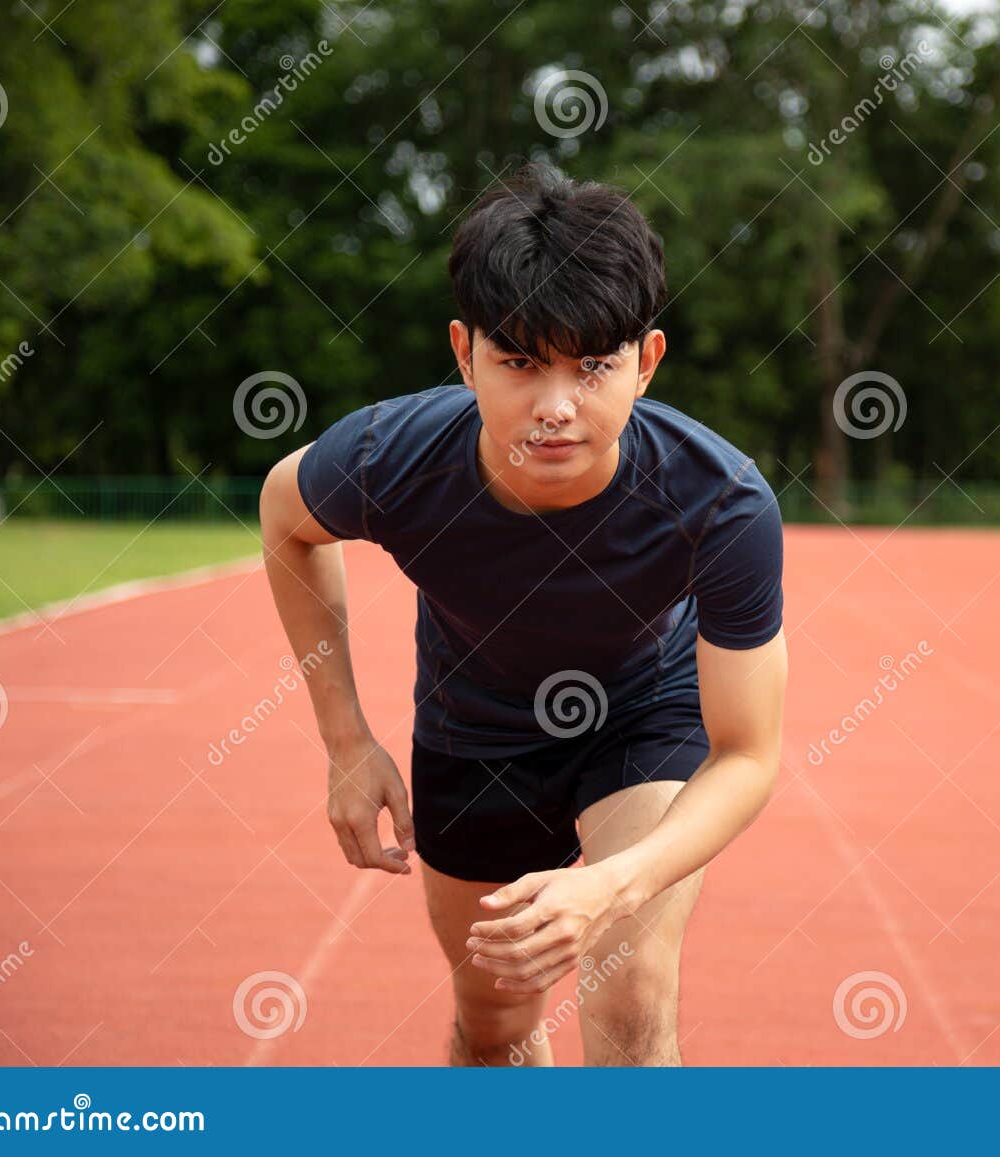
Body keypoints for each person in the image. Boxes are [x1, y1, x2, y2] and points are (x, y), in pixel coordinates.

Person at [258, 163, 788, 1066]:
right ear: (464, 353)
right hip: (475, 734)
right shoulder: (391, 459)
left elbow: (747, 754)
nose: (555, 409)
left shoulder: (720, 503)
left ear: (646, 362)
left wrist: (615, 884)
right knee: (497, 1023)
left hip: (640, 719)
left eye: (593, 367)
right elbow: (285, 518)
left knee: (627, 989)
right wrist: (347, 741)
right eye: (519, 363)